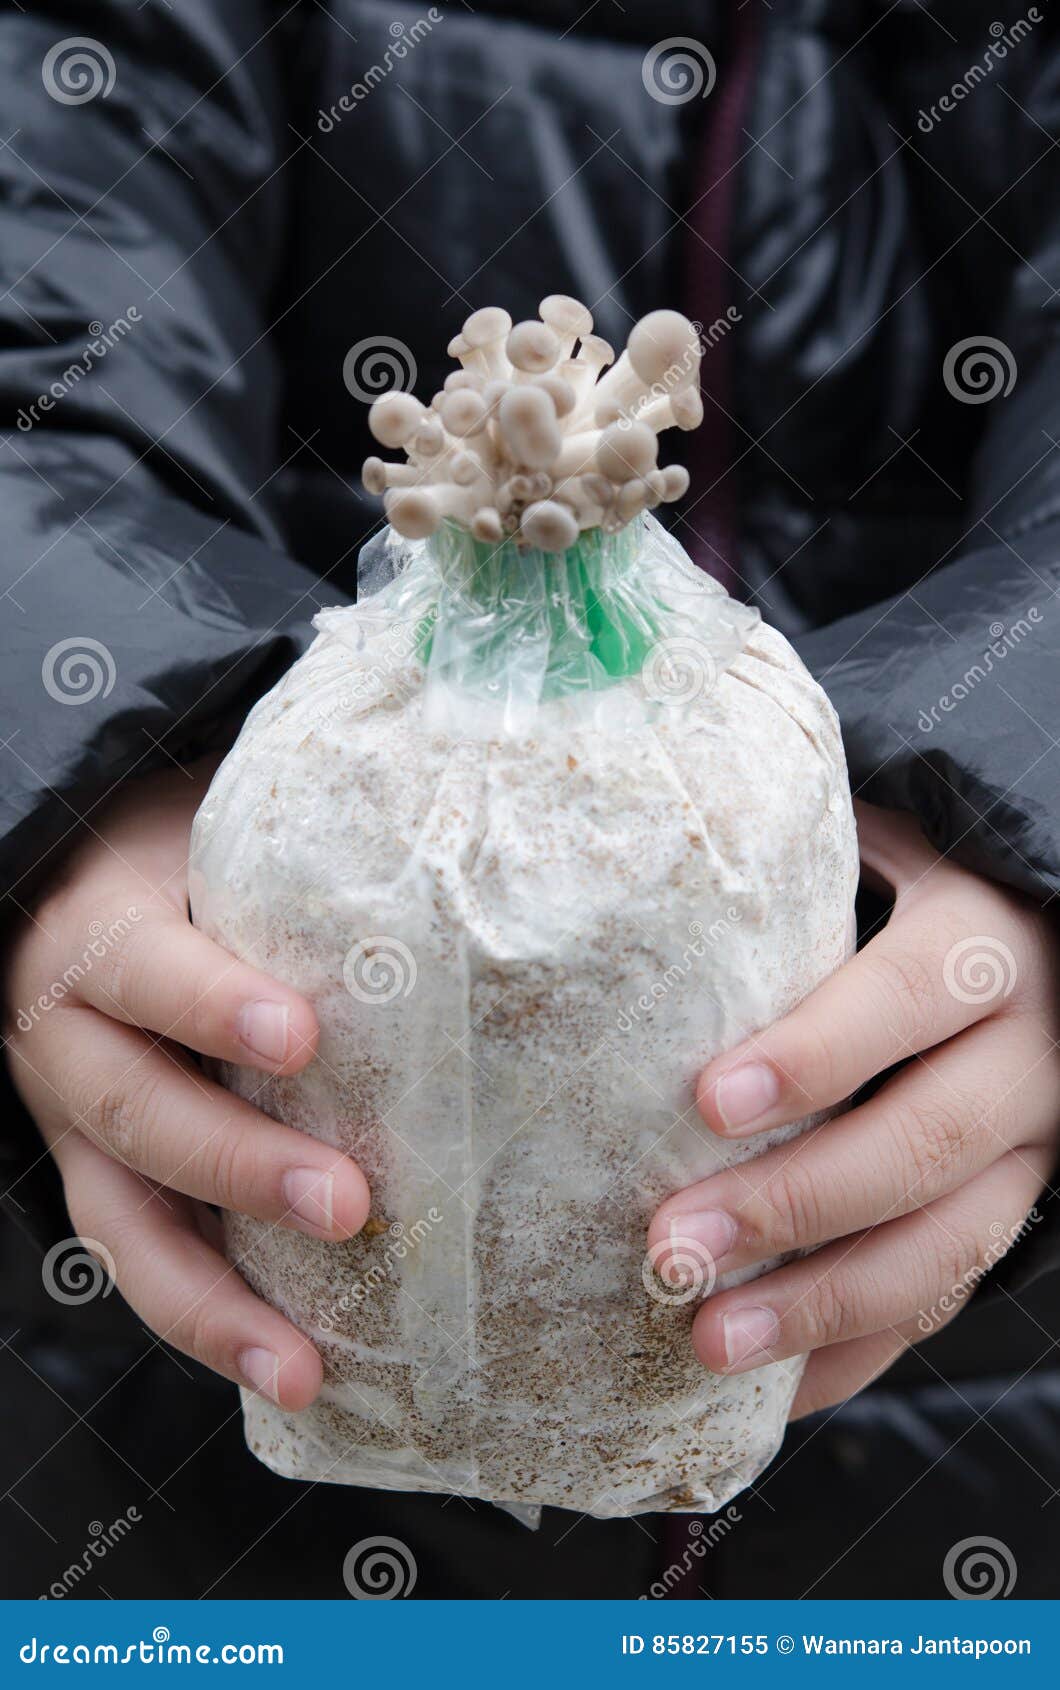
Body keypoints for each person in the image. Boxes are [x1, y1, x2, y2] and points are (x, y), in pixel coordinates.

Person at [1, 0, 1058, 1599]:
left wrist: (1032, 803)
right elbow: (41, 314)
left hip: (966, 1446)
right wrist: (77, 777)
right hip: (194, 1478)